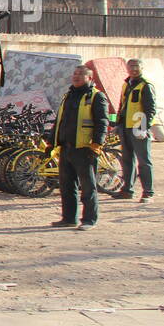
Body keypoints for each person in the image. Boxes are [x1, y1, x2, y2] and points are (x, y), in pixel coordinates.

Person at [48, 65, 110, 231]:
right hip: (67, 147)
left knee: (88, 187)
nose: (76, 76)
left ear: (89, 78)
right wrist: (52, 140)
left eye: (81, 74)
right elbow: (60, 120)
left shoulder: (96, 97)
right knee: (67, 186)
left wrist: (96, 145)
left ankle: (89, 219)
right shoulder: (68, 95)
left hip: (84, 149)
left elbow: (102, 123)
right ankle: (69, 218)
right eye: (74, 73)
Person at [114, 58, 156, 202]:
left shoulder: (146, 86)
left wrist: (144, 128)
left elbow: (150, 110)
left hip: (138, 128)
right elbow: (122, 105)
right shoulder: (126, 84)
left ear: (142, 68)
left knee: (144, 161)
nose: (133, 69)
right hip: (125, 127)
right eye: (131, 66)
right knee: (127, 160)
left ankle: (148, 192)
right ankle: (127, 190)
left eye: (136, 66)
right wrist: (118, 123)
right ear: (127, 68)